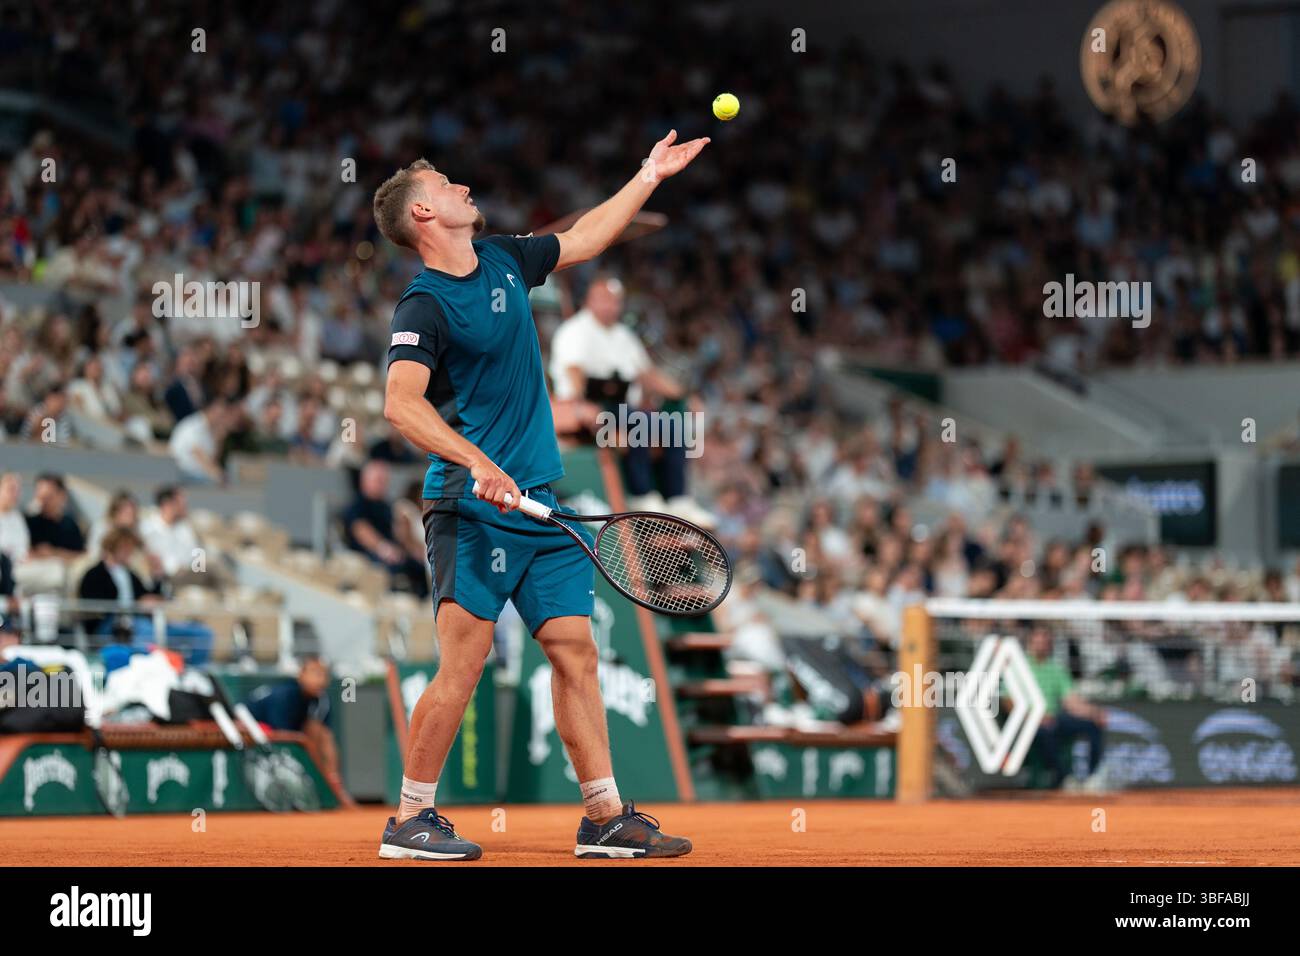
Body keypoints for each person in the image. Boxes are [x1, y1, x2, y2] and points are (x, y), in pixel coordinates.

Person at [374, 131, 707, 861]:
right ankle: (409, 819)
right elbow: (401, 406)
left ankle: (604, 817)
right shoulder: (423, 307)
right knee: (464, 660)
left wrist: (647, 173)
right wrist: (478, 461)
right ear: (423, 216)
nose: (464, 188)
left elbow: (585, 236)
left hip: (544, 506)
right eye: (446, 186)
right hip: (472, 506)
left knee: (575, 651)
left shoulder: (504, 259)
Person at [549, 275, 712, 526]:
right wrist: (583, 406)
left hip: (622, 406)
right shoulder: (574, 331)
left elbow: (647, 374)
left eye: (615, 301)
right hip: (583, 409)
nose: (610, 306)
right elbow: (574, 374)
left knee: (671, 425)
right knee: (639, 423)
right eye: (604, 300)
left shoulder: (623, 335)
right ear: (590, 300)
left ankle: (678, 499)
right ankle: (642, 495)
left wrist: (685, 397)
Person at [244, 656, 353, 806]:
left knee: (321, 733)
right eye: (314, 673)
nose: (320, 680)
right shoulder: (284, 695)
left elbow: (325, 735)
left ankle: (334, 784)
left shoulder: (321, 700)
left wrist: (332, 774)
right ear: (301, 675)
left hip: (285, 740)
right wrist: (302, 739)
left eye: (323, 675)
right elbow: (277, 734)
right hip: (249, 732)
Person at [1023, 626, 1108, 790]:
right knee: (1046, 731)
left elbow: (1071, 701)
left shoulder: (1056, 668)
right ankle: (1065, 778)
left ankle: (1091, 778)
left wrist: (1094, 713)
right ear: (1030, 644)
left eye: (1045, 642)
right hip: (1028, 721)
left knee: (1092, 725)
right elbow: (1008, 700)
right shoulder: (1020, 666)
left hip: (1053, 718)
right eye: (1037, 642)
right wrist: (1034, 717)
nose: (1041, 646)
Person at [341, 460, 430, 598]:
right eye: (379, 480)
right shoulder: (358, 505)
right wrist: (383, 548)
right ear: (365, 480)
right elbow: (361, 530)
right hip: (370, 555)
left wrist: (411, 547)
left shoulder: (386, 506)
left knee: (420, 568)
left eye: (384, 480)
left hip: (395, 553)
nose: (383, 484)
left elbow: (398, 531)